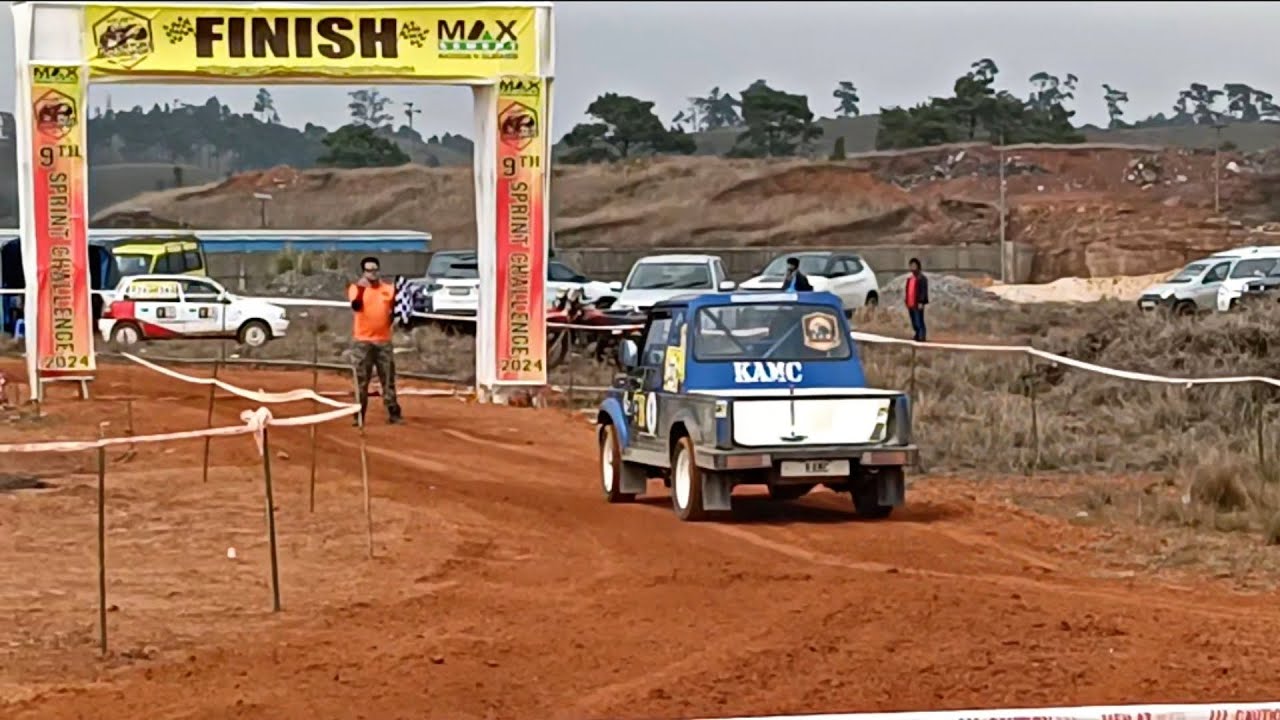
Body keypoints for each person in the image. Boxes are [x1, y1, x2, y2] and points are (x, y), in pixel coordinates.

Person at [348, 256, 403, 426]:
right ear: (363, 272)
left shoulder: (388, 289)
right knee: (361, 380)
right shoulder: (356, 288)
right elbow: (356, 306)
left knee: (387, 378)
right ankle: (358, 414)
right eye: (368, 270)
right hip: (362, 341)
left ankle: (393, 412)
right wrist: (362, 289)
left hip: (383, 341)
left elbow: (396, 309)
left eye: (375, 270)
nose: (372, 273)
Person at [904, 257, 929, 342]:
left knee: (919, 320)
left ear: (918, 266)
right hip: (910, 303)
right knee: (914, 321)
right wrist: (906, 300)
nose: (912, 267)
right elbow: (908, 290)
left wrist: (921, 301)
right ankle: (917, 334)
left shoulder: (922, 278)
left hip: (917, 303)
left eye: (914, 265)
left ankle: (922, 335)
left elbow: (923, 291)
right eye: (911, 265)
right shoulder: (910, 279)